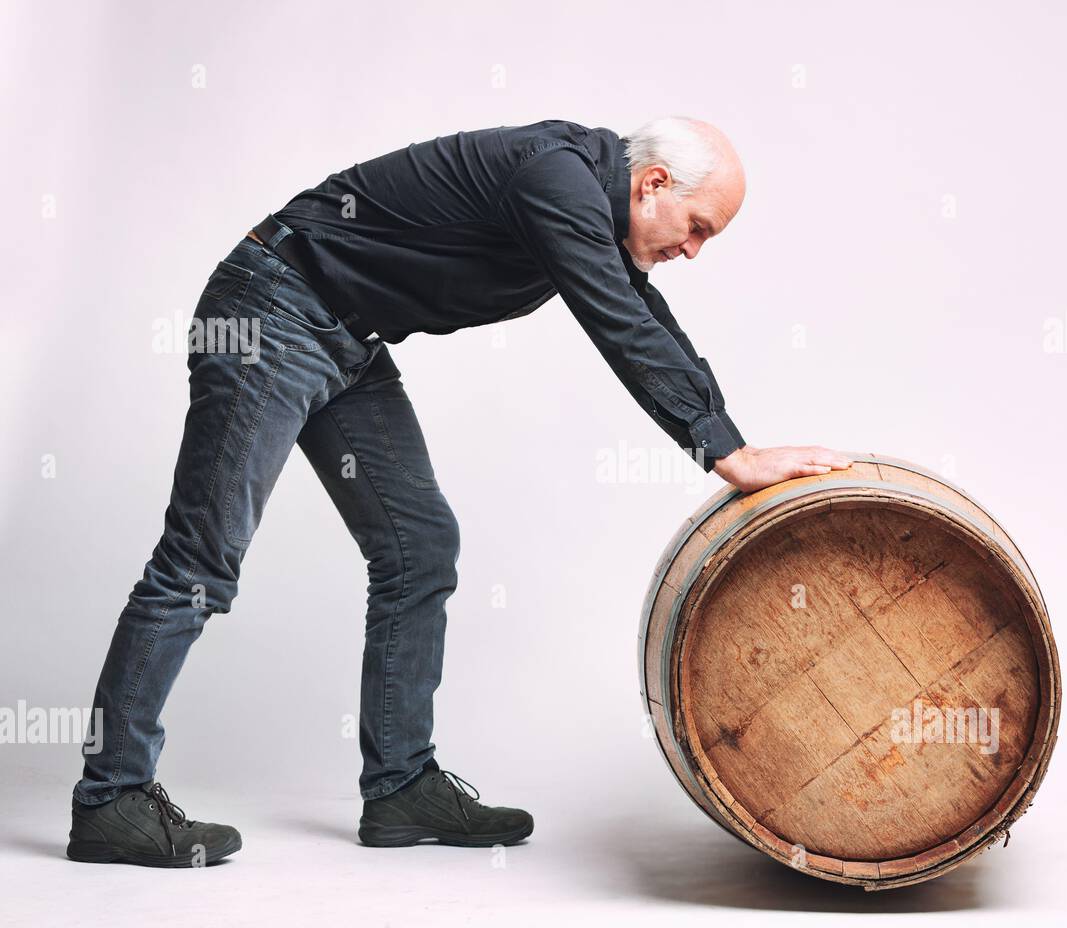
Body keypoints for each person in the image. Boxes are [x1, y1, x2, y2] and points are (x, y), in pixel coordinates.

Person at [67, 116, 852, 867]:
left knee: (420, 546)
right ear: (651, 183)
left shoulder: (584, 197)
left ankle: (402, 786)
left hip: (344, 336)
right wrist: (726, 453)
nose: (694, 249)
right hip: (272, 309)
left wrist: (733, 438)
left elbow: (643, 311)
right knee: (201, 559)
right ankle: (112, 797)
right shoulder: (559, 179)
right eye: (699, 227)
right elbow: (618, 321)